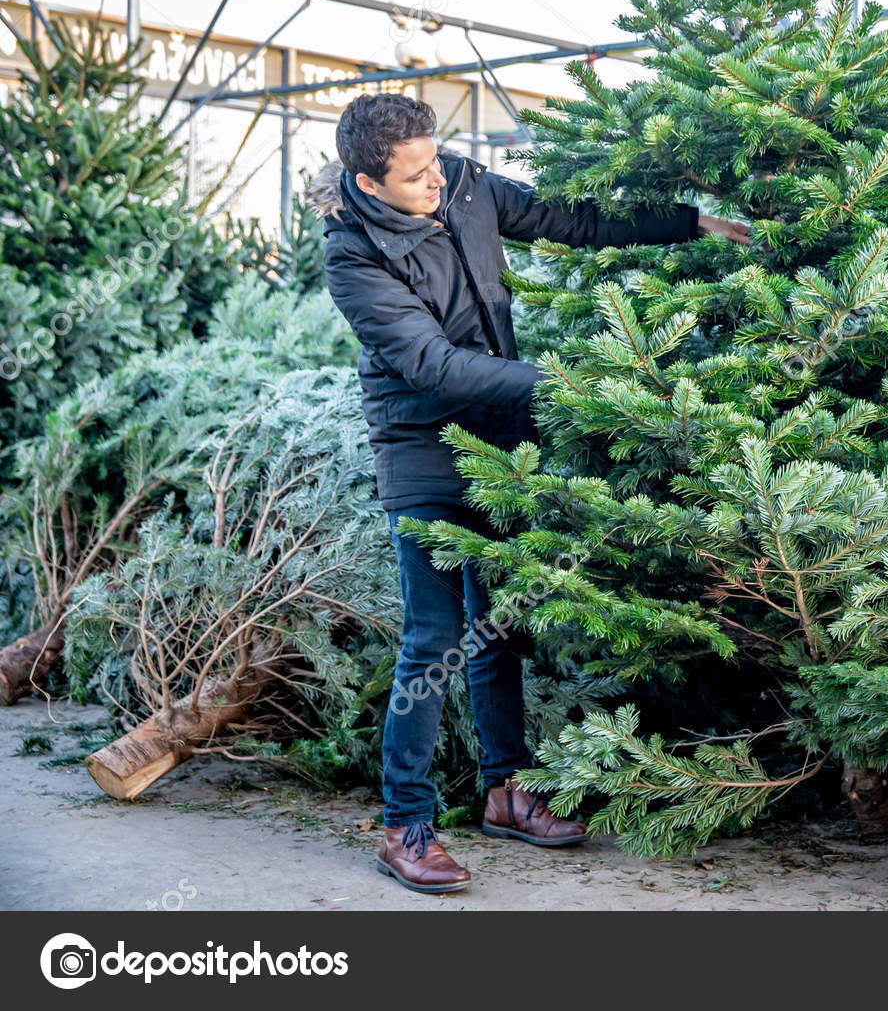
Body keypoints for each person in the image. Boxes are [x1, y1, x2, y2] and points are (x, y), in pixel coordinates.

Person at [310, 92, 749, 894]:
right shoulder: (353, 254)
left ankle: (506, 788)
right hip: (426, 455)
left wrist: (692, 224)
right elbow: (432, 364)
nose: (436, 181)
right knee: (435, 639)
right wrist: (566, 384)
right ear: (370, 185)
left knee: (499, 624)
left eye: (436, 159)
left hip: (504, 441)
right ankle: (404, 823)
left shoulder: (466, 183)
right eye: (414, 177)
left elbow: (569, 217)